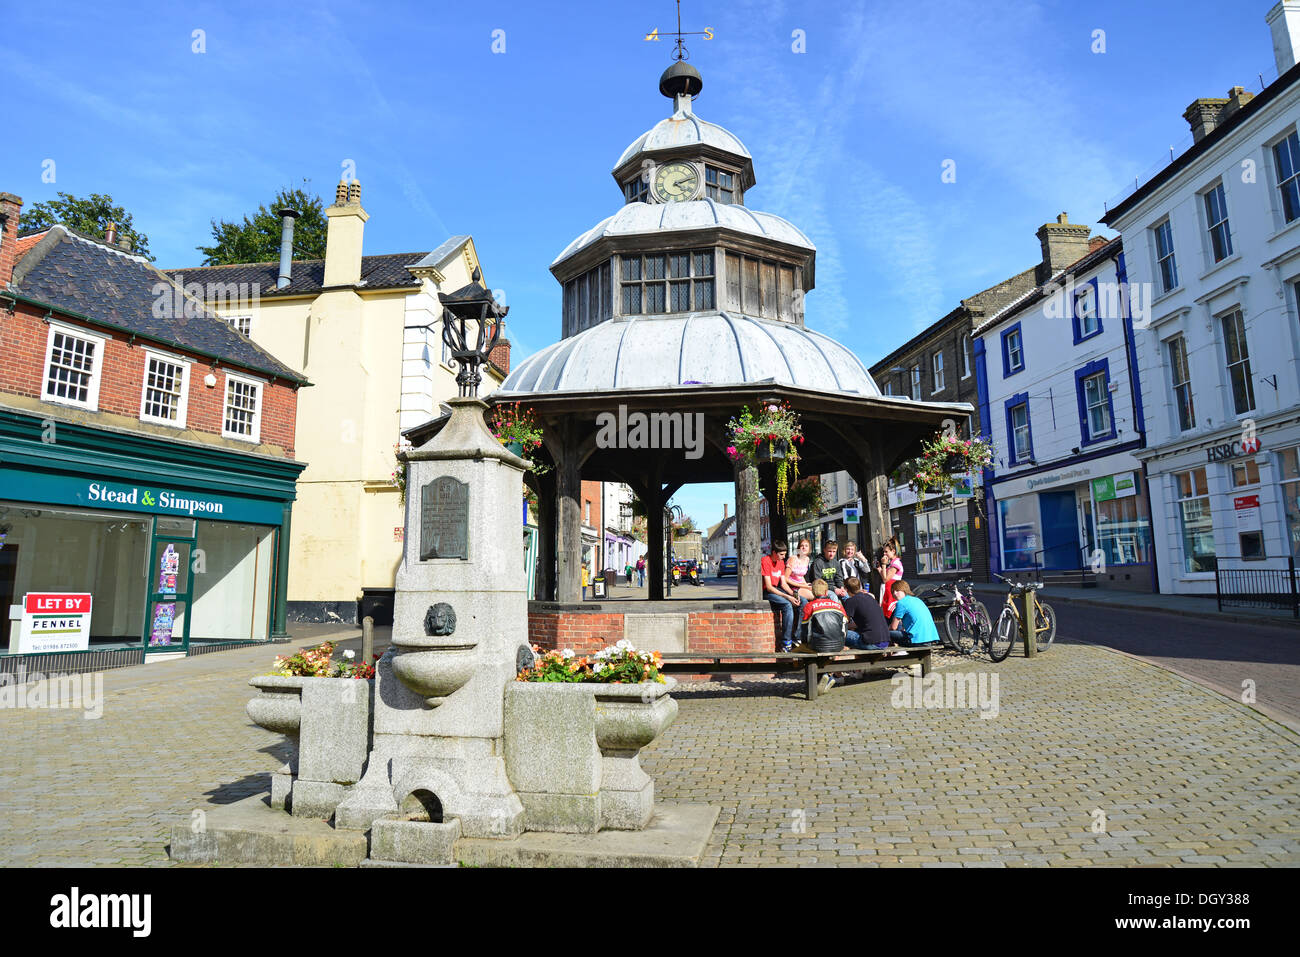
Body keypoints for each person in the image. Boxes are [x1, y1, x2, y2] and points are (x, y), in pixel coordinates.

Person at [762, 540, 806, 652]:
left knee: (803, 602)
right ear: (773, 552)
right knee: (787, 605)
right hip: (768, 592)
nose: (783, 557)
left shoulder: (781, 562)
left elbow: (783, 584)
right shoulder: (765, 561)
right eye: (781, 554)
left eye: (785, 554)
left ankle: (797, 637)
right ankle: (786, 643)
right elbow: (769, 587)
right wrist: (788, 597)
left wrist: (794, 594)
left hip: (778, 589)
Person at [797, 579, 847, 652]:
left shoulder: (809, 606)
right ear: (826, 592)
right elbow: (845, 627)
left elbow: (805, 631)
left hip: (817, 646)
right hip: (839, 646)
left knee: (797, 650)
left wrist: (805, 644)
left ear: (813, 592)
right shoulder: (839, 606)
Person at [842, 577, 891, 650]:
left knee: (837, 634)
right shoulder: (870, 597)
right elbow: (866, 622)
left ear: (846, 589)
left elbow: (844, 623)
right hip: (885, 642)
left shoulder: (850, 601)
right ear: (859, 586)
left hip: (871, 642)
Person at [889, 580, 942, 646]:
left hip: (916, 640)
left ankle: (893, 652)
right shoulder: (918, 600)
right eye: (892, 592)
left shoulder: (901, 603)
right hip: (929, 639)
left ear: (904, 590)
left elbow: (893, 627)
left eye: (897, 590)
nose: (894, 593)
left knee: (885, 634)